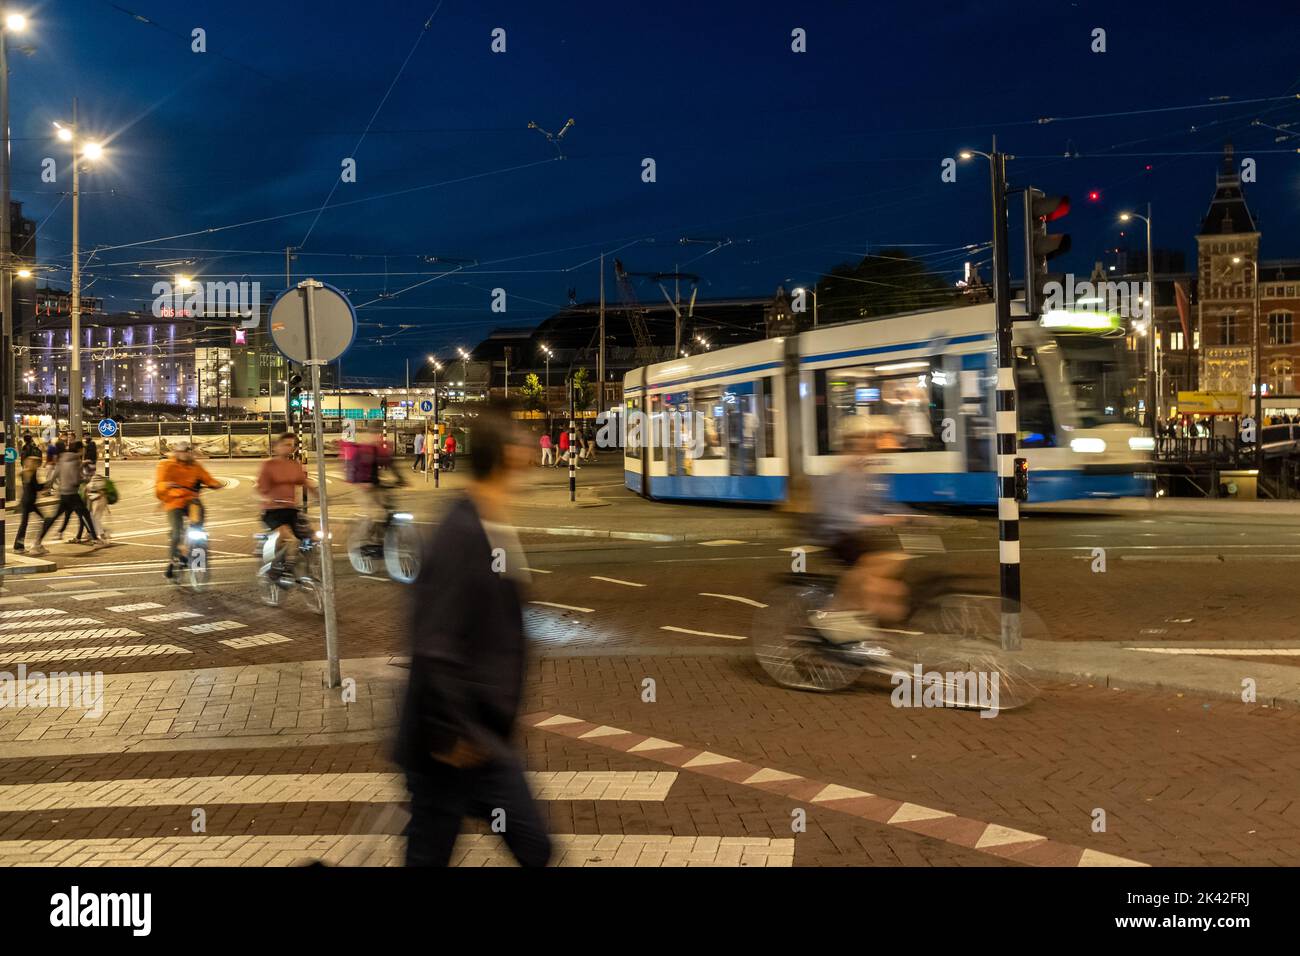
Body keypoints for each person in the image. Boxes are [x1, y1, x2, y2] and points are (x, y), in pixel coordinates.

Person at [395, 400, 551, 868]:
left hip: (475, 733)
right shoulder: (462, 531)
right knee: (532, 846)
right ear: (506, 453)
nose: (532, 450)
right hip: (454, 741)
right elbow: (433, 641)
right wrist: (452, 733)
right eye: (524, 441)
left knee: (433, 853)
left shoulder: (488, 520)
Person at [808, 416, 909, 641]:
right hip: (835, 534)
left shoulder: (866, 473)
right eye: (867, 446)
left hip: (855, 534)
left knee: (896, 561)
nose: (871, 452)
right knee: (870, 569)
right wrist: (873, 520)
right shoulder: (844, 474)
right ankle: (833, 614)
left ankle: (857, 614)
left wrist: (909, 515)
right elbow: (838, 514)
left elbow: (879, 504)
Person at [154, 439, 221, 579]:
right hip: (174, 502)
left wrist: (215, 484)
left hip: (191, 501)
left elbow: (208, 479)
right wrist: (166, 485)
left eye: (187, 451)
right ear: (176, 452)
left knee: (198, 524)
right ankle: (173, 560)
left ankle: (194, 548)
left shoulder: (196, 466)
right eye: (181, 451)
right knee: (176, 532)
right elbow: (159, 485)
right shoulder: (167, 465)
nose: (185, 454)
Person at [256, 432, 316, 580]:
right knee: (291, 540)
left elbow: (305, 482)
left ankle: (311, 570)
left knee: (312, 538)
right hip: (273, 512)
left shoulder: (294, 465)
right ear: (277, 447)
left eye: (293, 445)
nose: (290, 448)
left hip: (291, 510)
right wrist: (267, 499)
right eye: (286, 445)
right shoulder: (268, 465)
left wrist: (320, 496)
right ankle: (276, 567)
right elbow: (259, 489)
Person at [35, 441, 105, 551]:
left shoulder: (61, 459)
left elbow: (54, 476)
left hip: (63, 494)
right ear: (79, 449)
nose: (83, 451)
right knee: (86, 514)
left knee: (54, 518)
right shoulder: (76, 460)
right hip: (73, 494)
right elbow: (75, 479)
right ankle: (96, 539)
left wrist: (47, 486)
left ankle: (37, 543)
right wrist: (86, 479)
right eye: (82, 449)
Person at [13, 443, 49, 554]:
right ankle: (31, 544)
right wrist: (46, 484)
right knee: (44, 520)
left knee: (24, 524)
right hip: (29, 502)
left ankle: (20, 545)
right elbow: (36, 487)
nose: (39, 464)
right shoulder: (32, 473)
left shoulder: (25, 472)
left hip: (27, 501)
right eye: (38, 462)